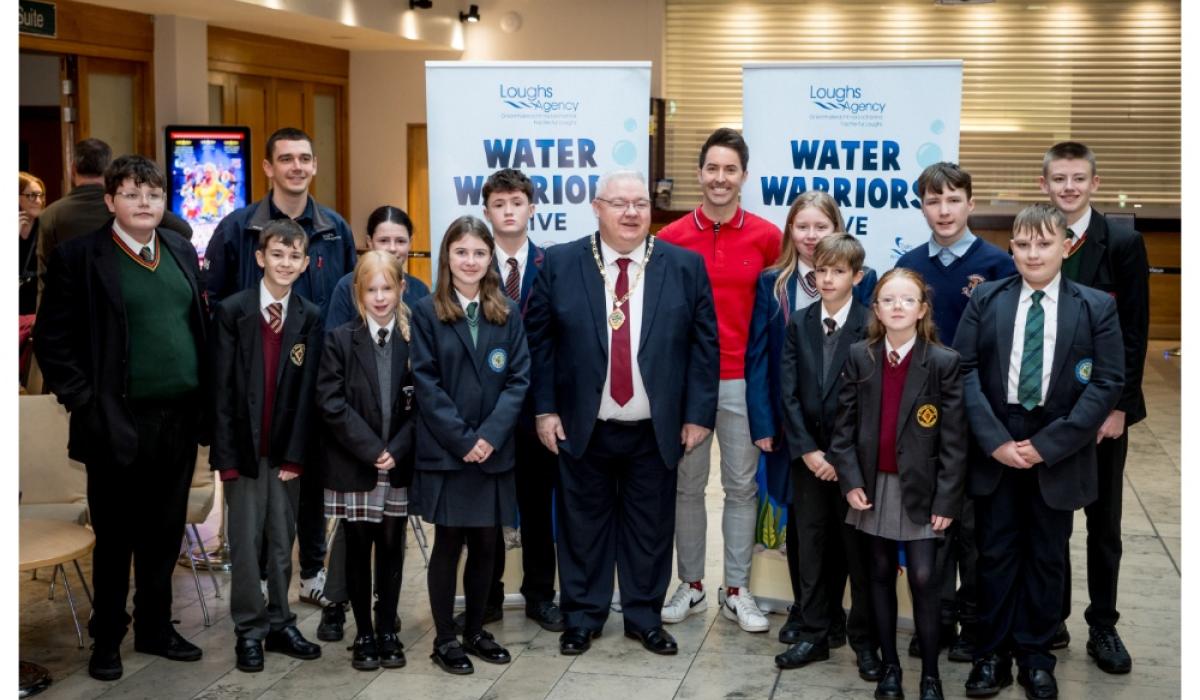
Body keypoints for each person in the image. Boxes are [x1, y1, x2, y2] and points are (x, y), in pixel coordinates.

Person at [525, 170, 719, 657]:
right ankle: (583, 617)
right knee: (581, 526)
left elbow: (704, 348)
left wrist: (698, 414)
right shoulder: (561, 262)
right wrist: (544, 410)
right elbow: (539, 344)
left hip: (656, 428)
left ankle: (643, 617)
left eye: (639, 204)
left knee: (650, 527)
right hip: (582, 424)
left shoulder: (683, 266)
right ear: (596, 207)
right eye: (619, 203)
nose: (631, 213)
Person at [34, 155, 210, 681]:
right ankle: (107, 638)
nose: (144, 204)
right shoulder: (80, 258)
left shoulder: (179, 249)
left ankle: (156, 627)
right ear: (110, 201)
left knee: (163, 533)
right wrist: (84, 400)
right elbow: (52, 340)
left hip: (178, 419)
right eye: (132, 195)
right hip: (116, 420)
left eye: (153, 195)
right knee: (116, 539)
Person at [954, 204, 1124, 700]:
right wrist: (995, 441)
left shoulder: (1095, 306)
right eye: (1023, 244)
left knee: (1047, 556)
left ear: (1066, 247)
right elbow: (963, 370)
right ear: (1012, 248)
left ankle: (1035, 656)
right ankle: (991, 655)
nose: (1032, 253)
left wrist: (1048, 446)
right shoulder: (986, 299)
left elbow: (1108, 381)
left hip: (1059, 443)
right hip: (997, 440)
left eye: (1044, 243)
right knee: (995, 552)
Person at [206, 126, 357, 606]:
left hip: (320, 377)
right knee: (262, 489)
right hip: (258, 381)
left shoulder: (335, 228)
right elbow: (217, 303)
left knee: (309, 477)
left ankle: (312, 570)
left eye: (305, 158)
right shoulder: (237, 228)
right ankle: (264, 588)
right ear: (268, 167)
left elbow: (350, 300)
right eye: (286, 158)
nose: (297, 166)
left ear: (314, 166)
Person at [655, 128, 780, 632]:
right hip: (687, 386)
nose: (720, 178)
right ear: (700, 173)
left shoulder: (769, 237)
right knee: (686, 487)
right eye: (712, 168)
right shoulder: (670, 238)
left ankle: (735, 589)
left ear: (744, 176)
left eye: (731, 169)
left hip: (743, 382)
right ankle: (691, 585)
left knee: (741, 488)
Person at [893, 162, 1016, 661]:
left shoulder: (1000, 264)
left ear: (970, 203)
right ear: (921, 206)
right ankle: (935, 620)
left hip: (978, 415)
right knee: (930, 522)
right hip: (922, 419)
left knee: (974, 527)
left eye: (952, 200)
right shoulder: (910, 264)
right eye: (932, 201)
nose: (943, 210)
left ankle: (973, 621)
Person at [745, 190, 878, 649]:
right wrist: (765, 423)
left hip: (845, 439)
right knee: (802, 522)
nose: (810, 236)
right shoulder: (773, 283)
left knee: (844, 529)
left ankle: (838, 620)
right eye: (802, 227)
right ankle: (807, 609)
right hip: (792, 429)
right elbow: (761, 357)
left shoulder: (866, 283)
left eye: (820, 226)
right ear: (790, 231)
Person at [827, 267, 968, 700]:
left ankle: (930, 675)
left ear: (922, 309)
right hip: (874, 487)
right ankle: (890, 669)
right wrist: (849, 479)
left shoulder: (943, 362)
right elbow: (843, 428)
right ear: (877, 308)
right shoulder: (860, 356)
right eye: (888, 299)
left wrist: (946, 498)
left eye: (908, 300)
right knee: (879, 574)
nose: (898, 307)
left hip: (923, 490)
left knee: (925, 578)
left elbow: (955, 441)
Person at [1040, 141, 1149, 674]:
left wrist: (1119, 407)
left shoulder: (1122, 242)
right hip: (1054, 412)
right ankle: (1052, 616)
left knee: (1103, 523)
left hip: (1103, 408)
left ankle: (1102, 625)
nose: (1068, 188)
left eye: (1078, 178)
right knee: (1052, 517)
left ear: (1094, 183)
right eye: (1058, 179)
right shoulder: (1040, 239)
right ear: (1045, 185)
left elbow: (1134, 330)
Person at [410, 216, 530, 675]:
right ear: (447, 257)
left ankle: (476, 629)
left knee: (487, 543)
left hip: (493, 452)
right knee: (450, 543)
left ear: (490, 258)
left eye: (479, 253)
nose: (470, 260)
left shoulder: (507, 311)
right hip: (448, 452)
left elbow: (518, 380)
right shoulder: (426, 311)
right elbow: (426, 382)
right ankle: (445, 639)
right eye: (461, 252)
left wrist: (489, 438)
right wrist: (464, 440)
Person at [211, 219, 323, 673]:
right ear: (261, 258)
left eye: (294, 256)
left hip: (285, 455)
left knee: (282, 542)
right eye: (277, 254)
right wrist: (226, 460)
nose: (285, 263)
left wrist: (297, 456)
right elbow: (219, 391)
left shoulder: (309, 317)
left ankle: (280, 621)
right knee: (244, 542)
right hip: (243, 450)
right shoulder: (233, 311)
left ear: (305, 262)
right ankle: (249, 629)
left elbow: (308, 395)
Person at [317, 204, 429, 642]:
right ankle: (362, 632)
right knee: (357, 548)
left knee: (392, 551)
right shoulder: (341, 339)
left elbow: (424, 402)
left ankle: (387, 630)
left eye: (388, 289)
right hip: (355, 463)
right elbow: (331, 401)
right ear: (357, 292)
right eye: (371, 290)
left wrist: (397, 449)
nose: (380, 297)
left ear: (401, 290)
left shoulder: (414, 338)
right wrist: (371, 449)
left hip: (397, 462)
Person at [772, 234, 879, 681]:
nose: (828, 278)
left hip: (852, 460)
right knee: (811, 546)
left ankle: (865, 642)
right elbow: (789, 392)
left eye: (839, 271)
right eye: (822, 271)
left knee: (858, 551)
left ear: (857, 277)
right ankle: (814, 633)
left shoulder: (870, 324)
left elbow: (869, 400)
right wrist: (808, 451)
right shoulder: (799, 321)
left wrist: (838, 454)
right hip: (809, 459)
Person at [468, 168, 564, 632]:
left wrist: (550, 406)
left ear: (531, 208)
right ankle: (485, 595)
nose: (508, 212)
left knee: (539, 504)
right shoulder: (471, 265)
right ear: (486, 211)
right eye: (499, 205)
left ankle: (540, 594)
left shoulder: (553, 264)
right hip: (485, 412)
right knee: (486, 507)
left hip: (537, 411)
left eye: (517, 203)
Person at [36, 138, 191, 300]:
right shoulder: (126, 206)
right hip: (130, 294)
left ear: (73, 169)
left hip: (77, 301)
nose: (143, 203)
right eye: (132, 195)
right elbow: (184, 231)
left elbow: (45, 277)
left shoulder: (51, 214)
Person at [19, 171, 45, 315]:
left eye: (40, 195)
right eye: (31, 195)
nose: (38, 201)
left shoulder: (47, 227)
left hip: (38, 307)